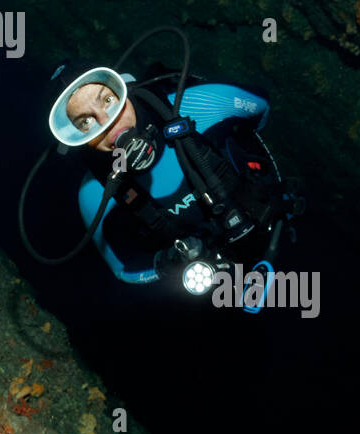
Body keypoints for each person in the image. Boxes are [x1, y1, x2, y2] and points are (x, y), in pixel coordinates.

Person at [46, 62, 281, 285]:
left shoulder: (199, 103)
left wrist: (247, 147)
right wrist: (168, 263)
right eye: (85, 122)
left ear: (124, 88)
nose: (107, 123)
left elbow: (261, 105)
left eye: (108, 99)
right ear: (76, 138)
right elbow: (121, 269)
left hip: (278, 225)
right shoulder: (94, 193)